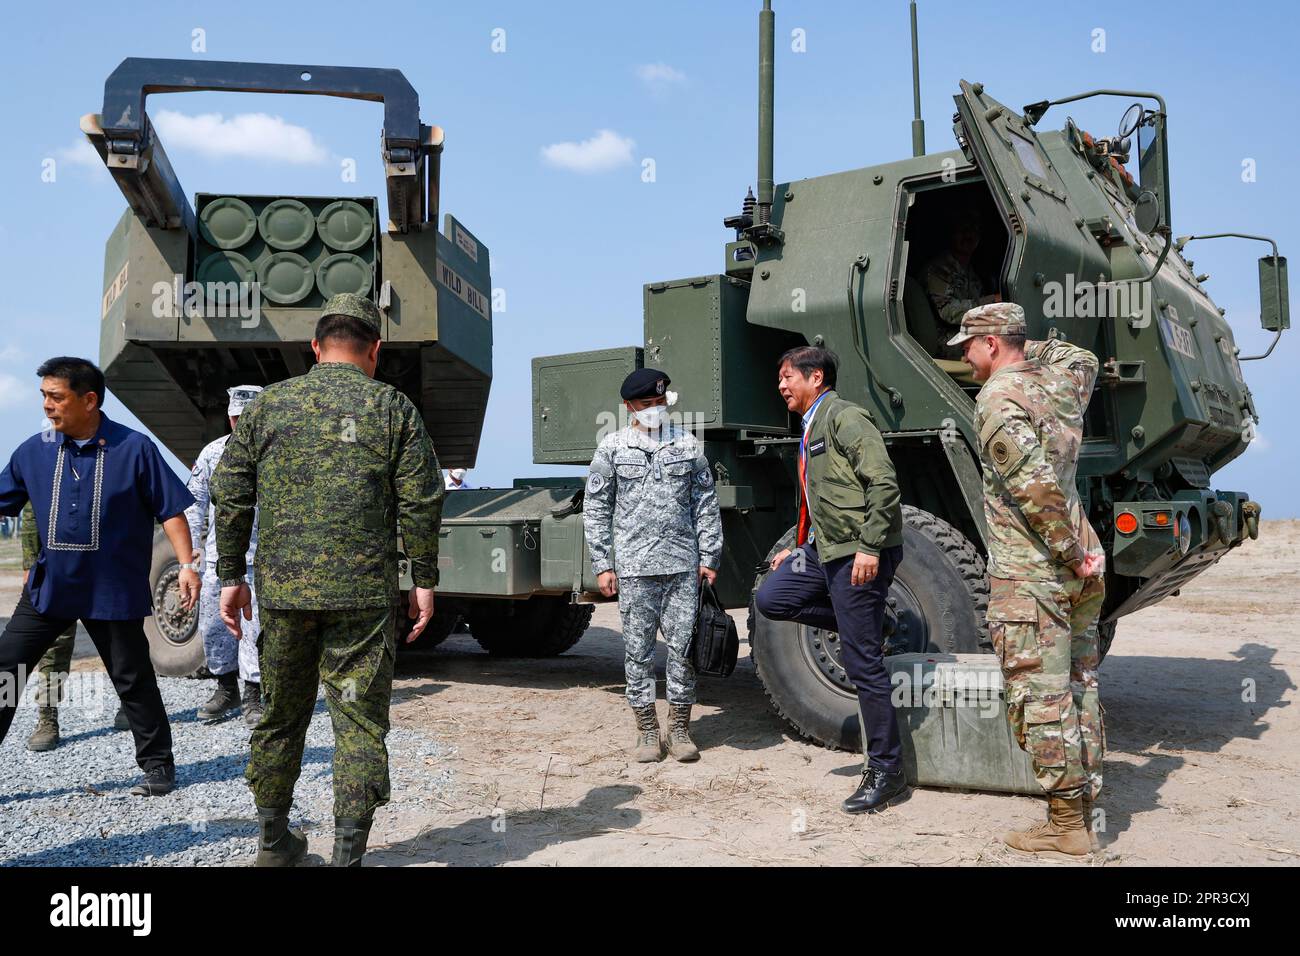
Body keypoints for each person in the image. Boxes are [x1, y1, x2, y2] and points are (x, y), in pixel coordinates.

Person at [212, 293, 444, 867]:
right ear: (376, 351)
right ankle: (348, 855)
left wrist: (230, 574)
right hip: (363, 597)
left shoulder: (267, 407)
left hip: (284, 594)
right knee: (359, 720)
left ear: (315, 347)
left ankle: (272, 842)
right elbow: (422, 499)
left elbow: (231, 493)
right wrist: (424, 577)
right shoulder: (393, 408)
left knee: (280, 716)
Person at [948, 302, 1105, 856]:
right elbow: (1082, 357)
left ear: (992, 343)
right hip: (1080, 565)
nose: (964, 357)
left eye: (968, 345)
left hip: (1034, 572)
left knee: (1040, 697)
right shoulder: (1063, 383)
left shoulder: (996, 400)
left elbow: (1034, 490)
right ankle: (1083, 809)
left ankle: (1065, 825)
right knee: (1079, 688)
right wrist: (1026, 345)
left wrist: (1067, 553)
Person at [0, 356, 198, 796]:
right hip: (50, 588)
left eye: (56, 396)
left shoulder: (134, 448)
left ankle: (158, 766)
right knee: (5, 668)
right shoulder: (34, 450)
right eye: (44, 396)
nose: (47, 406)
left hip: (112, 592)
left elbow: (171, 511)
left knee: (133, 679)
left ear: (89, 400)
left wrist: (186, 566)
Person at [754, 346, 908, 814]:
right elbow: (821, 495)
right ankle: (864, 620)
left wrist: (869, 547)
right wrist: (799, 545)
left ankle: (886, 769)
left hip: (855, 551)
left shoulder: (845, 417)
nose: (781, 386)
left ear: (815, 377)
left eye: (787, 377)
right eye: (780, 378)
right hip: (823, 549)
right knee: (771, 597)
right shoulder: (810, 426)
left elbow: (883, 483)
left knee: (862, 662)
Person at [583, 368, 722, 763]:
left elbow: (706, 505)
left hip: (682, 566)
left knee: (682, 651)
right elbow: (596, 508)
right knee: (639, 653)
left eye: (660, 403)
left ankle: (679, 729)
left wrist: (710, 556)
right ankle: (647, 730)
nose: (655, 410)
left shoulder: (688, 445)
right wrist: (602, 563)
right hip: (635, 568)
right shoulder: (612, 447)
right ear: (629, 407)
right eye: (647, 405)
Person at [186, 385, 264, 727]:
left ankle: (253, 694)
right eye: (236, 418)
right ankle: (225, 687)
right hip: (220, 558)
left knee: (253, 627)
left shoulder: (278, 452)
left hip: (263, 557)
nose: (241, 424)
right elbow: (194, 505)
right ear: (229, 418)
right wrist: (191, 556)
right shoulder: (212, 454)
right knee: (214, 625)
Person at [924, 206, 1000, 358]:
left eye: (973, 230)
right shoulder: (939, 269)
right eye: (963, 229)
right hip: (945, 341)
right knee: (996, 349)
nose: (968, 235)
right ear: (952, 234)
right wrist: (992, 302)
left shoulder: (974, 274)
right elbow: (947, 311)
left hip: (965, 334)